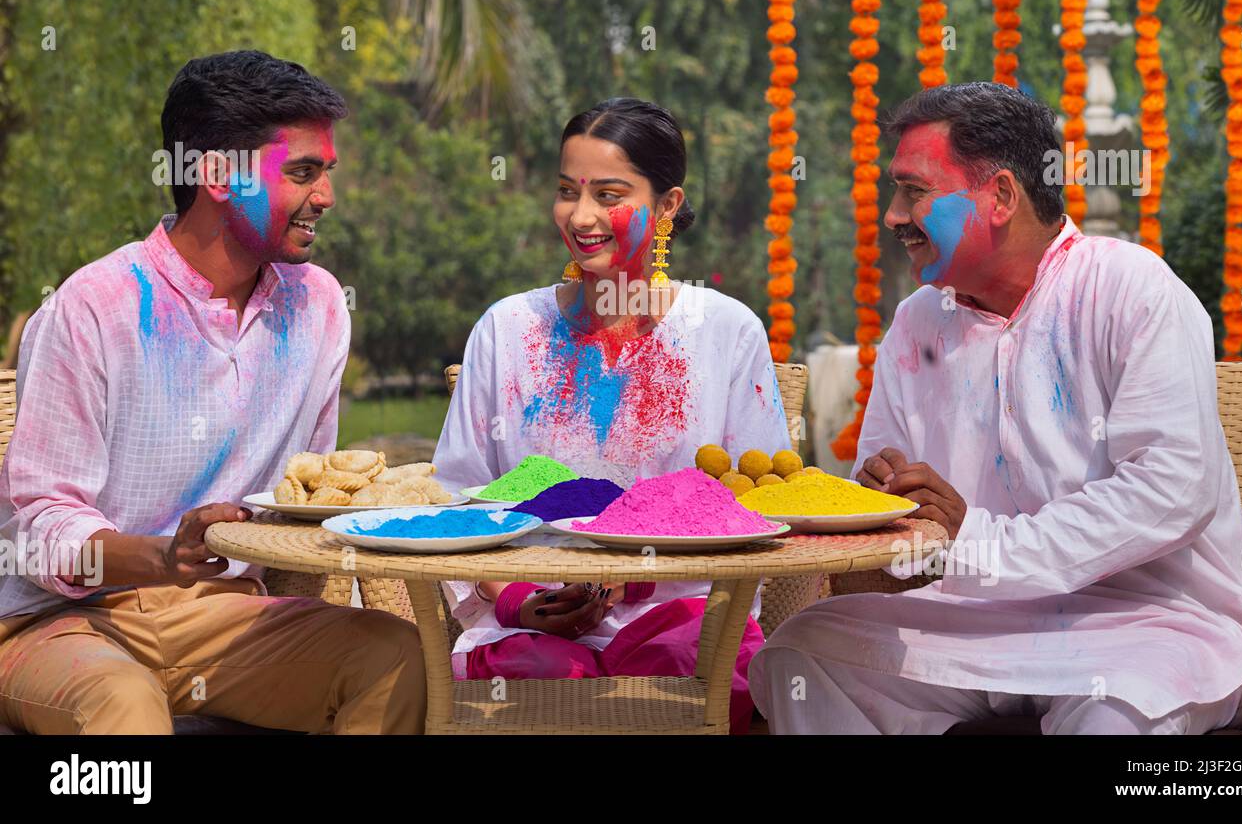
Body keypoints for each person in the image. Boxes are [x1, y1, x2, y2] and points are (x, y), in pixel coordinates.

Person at [750, 81, 1242, 735]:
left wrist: (971, 544)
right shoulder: (916, 324)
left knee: (1112, 715)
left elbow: (1172, 489)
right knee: (803, 654)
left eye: (914, 191)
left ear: (998, 196)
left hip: (1149, 620)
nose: (892, 215)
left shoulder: (1129, 289)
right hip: (971, 617)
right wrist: (884, 521)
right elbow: (907, 532)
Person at [0, 50, 425, 734]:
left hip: (227, 618)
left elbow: (303, 497)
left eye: (326, 172)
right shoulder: (95, 308)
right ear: (219, 177)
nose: (326, 196)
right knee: (123, 703)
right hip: (64, 627)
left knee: (390, 655)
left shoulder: (319, 309)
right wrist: (162, 557)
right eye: (302, 172)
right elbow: (35, 533)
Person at [433, 98, 790, 732]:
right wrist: (515, 598)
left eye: (609, 193)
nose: (582, 215)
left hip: (682, 617)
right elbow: (454, 503)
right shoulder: (508, 329)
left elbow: (758, 507)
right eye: (568, 192)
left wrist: (639, 581)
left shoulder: (725, 330)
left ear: (669, 206)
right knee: (543, 674)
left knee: (696, 665)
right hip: (530, 622)